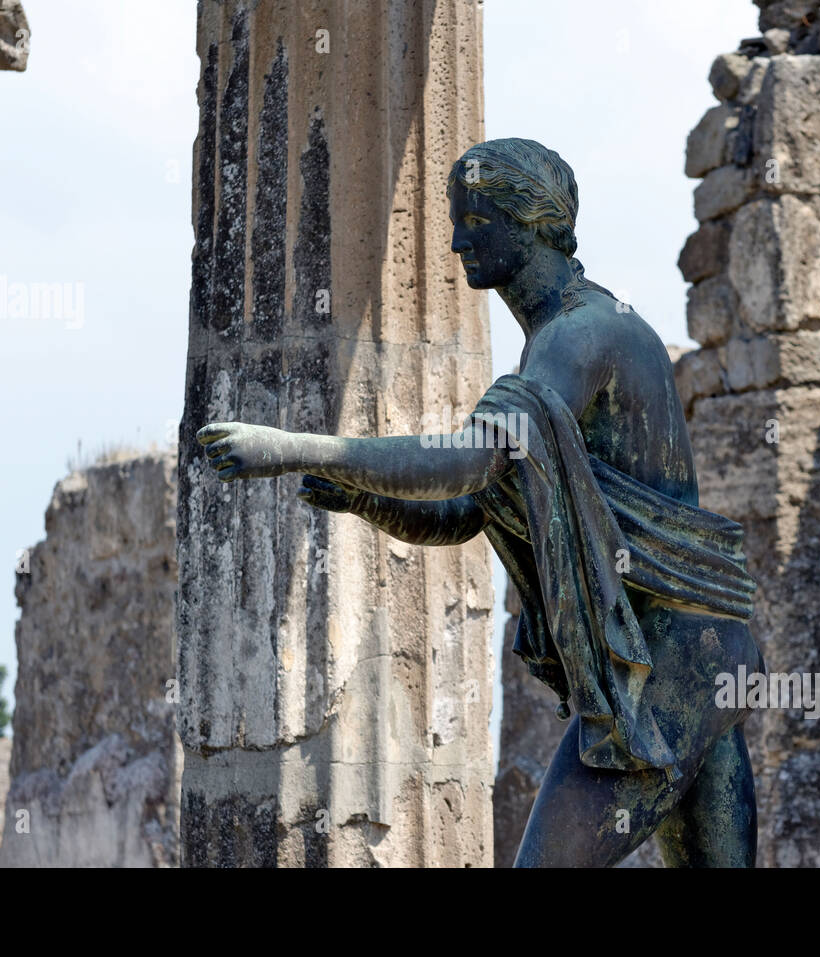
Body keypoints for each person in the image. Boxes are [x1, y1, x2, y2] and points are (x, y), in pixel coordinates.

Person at [196, 138, 764, 867]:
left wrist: (297, 447)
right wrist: (364, 497)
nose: (459, 240)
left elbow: (473, 463)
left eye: (476, 218)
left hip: (671, 658)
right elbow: (473, 508)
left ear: (530, 221)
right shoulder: (555, 352)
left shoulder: (581, 336)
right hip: (701, 648)